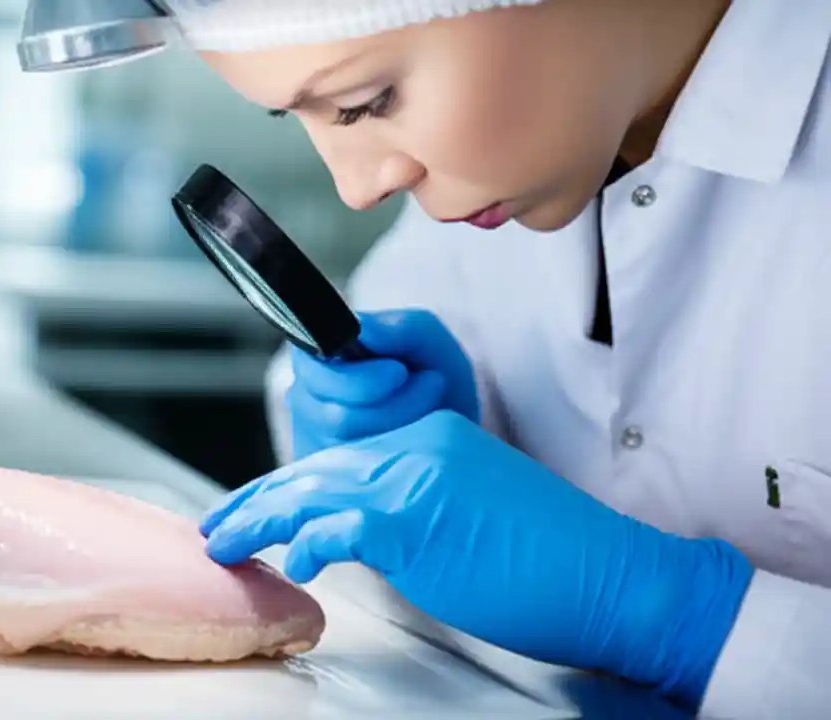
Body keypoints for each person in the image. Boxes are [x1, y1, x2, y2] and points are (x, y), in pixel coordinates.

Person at [152, 0, 831, 717]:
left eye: (365, 102)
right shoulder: (504, 161)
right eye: (298, 115)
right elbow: (381, 390)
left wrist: (690, 621)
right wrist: (382, 439)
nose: (358, 190)